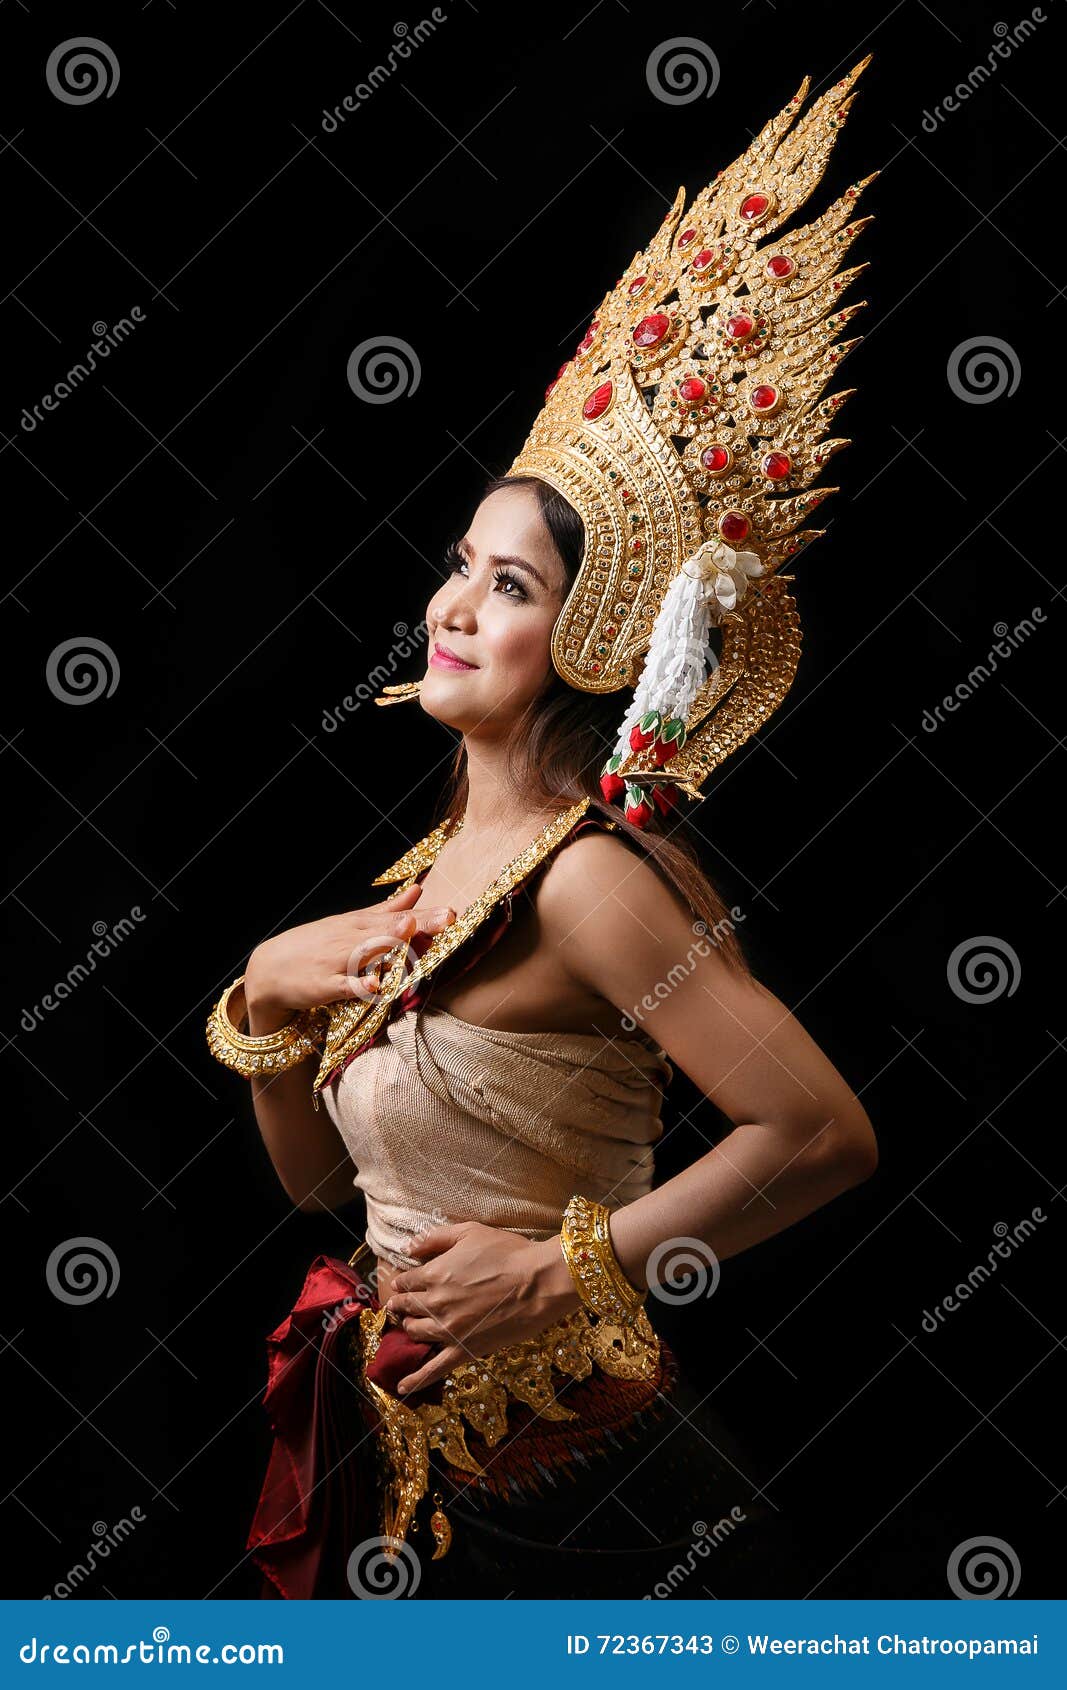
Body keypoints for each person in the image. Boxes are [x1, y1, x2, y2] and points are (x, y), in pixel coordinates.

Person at [206, 57, 878, 1601]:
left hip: (595, 1487)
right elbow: (323, 1194)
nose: (452, 604)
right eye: (462, 564)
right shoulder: (429, 871)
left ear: (600, 632)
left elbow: (822, 1132)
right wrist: (260, 997)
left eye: (509, 585)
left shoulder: (589, 883)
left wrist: (563, 1265)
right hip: (415, 1466)